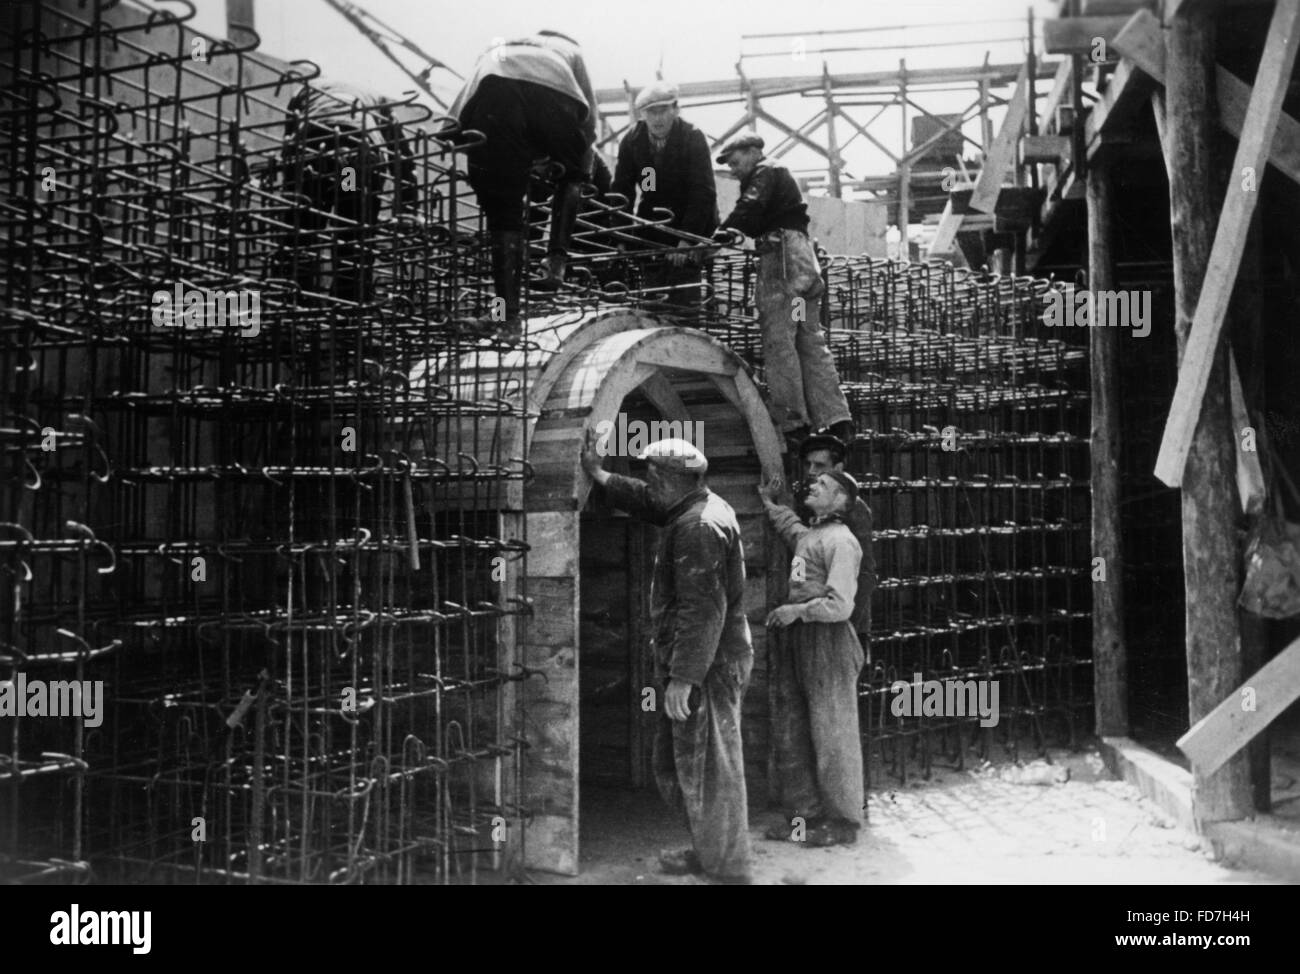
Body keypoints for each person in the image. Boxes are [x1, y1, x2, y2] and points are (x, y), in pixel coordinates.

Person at [581, 430, 754, 884]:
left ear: (676, 478)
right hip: (707, 661)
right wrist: (599, 475)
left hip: (708, 666)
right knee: (687, 764)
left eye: (653, 474)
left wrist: (684, 678)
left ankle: (729, 868)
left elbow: (703, 611)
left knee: (712, 769)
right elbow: (649, 502)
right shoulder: (693, 507)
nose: (648, 481)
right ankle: (709, 852)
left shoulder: (698, 528)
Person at [447, 30, 598, 338]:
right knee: (571, 174)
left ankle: (506, 317)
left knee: (503, 211)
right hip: (555, 92)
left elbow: (469, 99)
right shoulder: (569, 50)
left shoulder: (501, 43)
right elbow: (588, 120)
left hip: (493, 84)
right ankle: (556, 263)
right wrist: (576, 162)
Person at [715, 132, 852, 445]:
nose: (734, 170)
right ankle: (836, 419)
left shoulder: (766, 171)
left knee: (779, 341)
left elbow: (749, 208)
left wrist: (720, 235)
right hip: (804, 268)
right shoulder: (780, 173)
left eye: (736, 162)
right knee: (807, 340)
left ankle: (794, 424)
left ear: (753, 153)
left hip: (783, 265)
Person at [757, 468, 865, 848]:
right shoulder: (813, 535)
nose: (813, 485)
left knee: (833, 733)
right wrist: (771, 505)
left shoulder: (842, 541)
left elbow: (840, 605)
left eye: (823, 485)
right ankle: (806, 819)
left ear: (840, 501)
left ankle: (843, 823)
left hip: (829, 640)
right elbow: (792, 530)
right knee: (797, 731)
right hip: (802, 639)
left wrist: (797, 612)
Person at [274, 79, 418, 302]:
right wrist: (408, 209)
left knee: (302, 228)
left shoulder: (305, 90)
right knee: (351, 232)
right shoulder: (374, 94)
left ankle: (295, 303)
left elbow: (288, 145)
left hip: (313, 152)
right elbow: (403, 159)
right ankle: (348, 309)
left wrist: (289, 189)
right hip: (351, 157)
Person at [611, 81, 718, 311]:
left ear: (676, 110)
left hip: (690, 222)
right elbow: (623, 190)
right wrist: (620, 236)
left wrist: (687, 239)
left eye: (663, 111)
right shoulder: (633, 140)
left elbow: (702, 191)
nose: (657, 119)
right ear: (643, 115)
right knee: (652, 298)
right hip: (655, 222)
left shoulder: (692, 137)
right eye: (651, 112)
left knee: (683, 298)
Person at [799, 433, 875, 642]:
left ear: (839, 469)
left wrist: (847, 625)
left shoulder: (854, 510)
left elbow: (866, 574)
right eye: (808, 465)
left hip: (846, 624)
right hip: (813, 620)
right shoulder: (808, 503)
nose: (812, 472)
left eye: (820, 466)